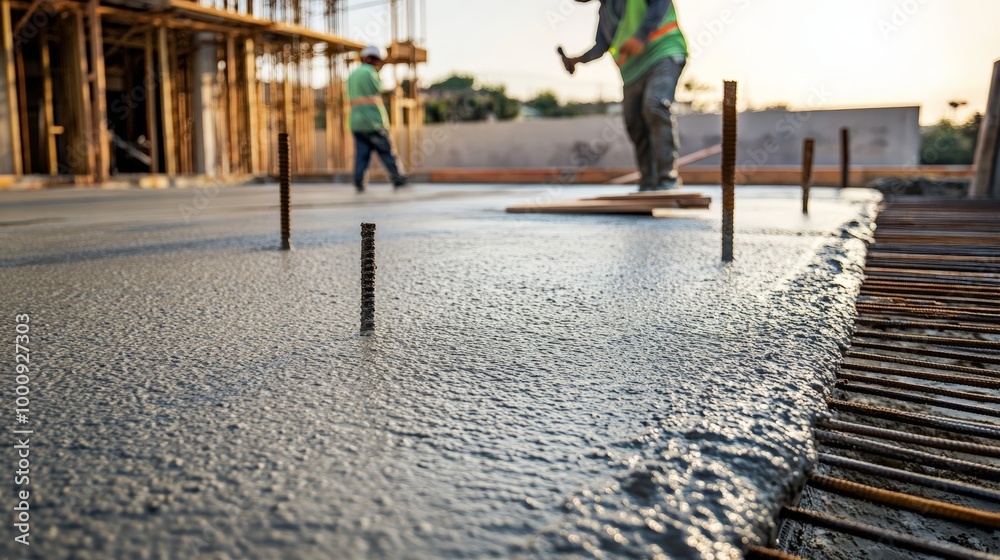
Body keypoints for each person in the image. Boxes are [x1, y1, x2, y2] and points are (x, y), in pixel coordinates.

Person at [561, 0, 688, 191]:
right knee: (634, 122)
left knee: (654, 105)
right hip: (632, 70)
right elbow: (601, 46)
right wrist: (577, 60)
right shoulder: (605, 10)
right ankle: (649, 181)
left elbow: (660, 4)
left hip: (662, 51)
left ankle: (667, 179)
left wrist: (640, 35)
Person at [347, 45, 408, 192]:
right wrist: (395, 90)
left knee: (362, 155)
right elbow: (378, 89)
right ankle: (397, 178)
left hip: (356, 122)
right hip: (373, 121)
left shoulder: (352, 74)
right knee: (386, 151)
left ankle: (359, 181)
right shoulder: (370, 72)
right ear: (376, 60)